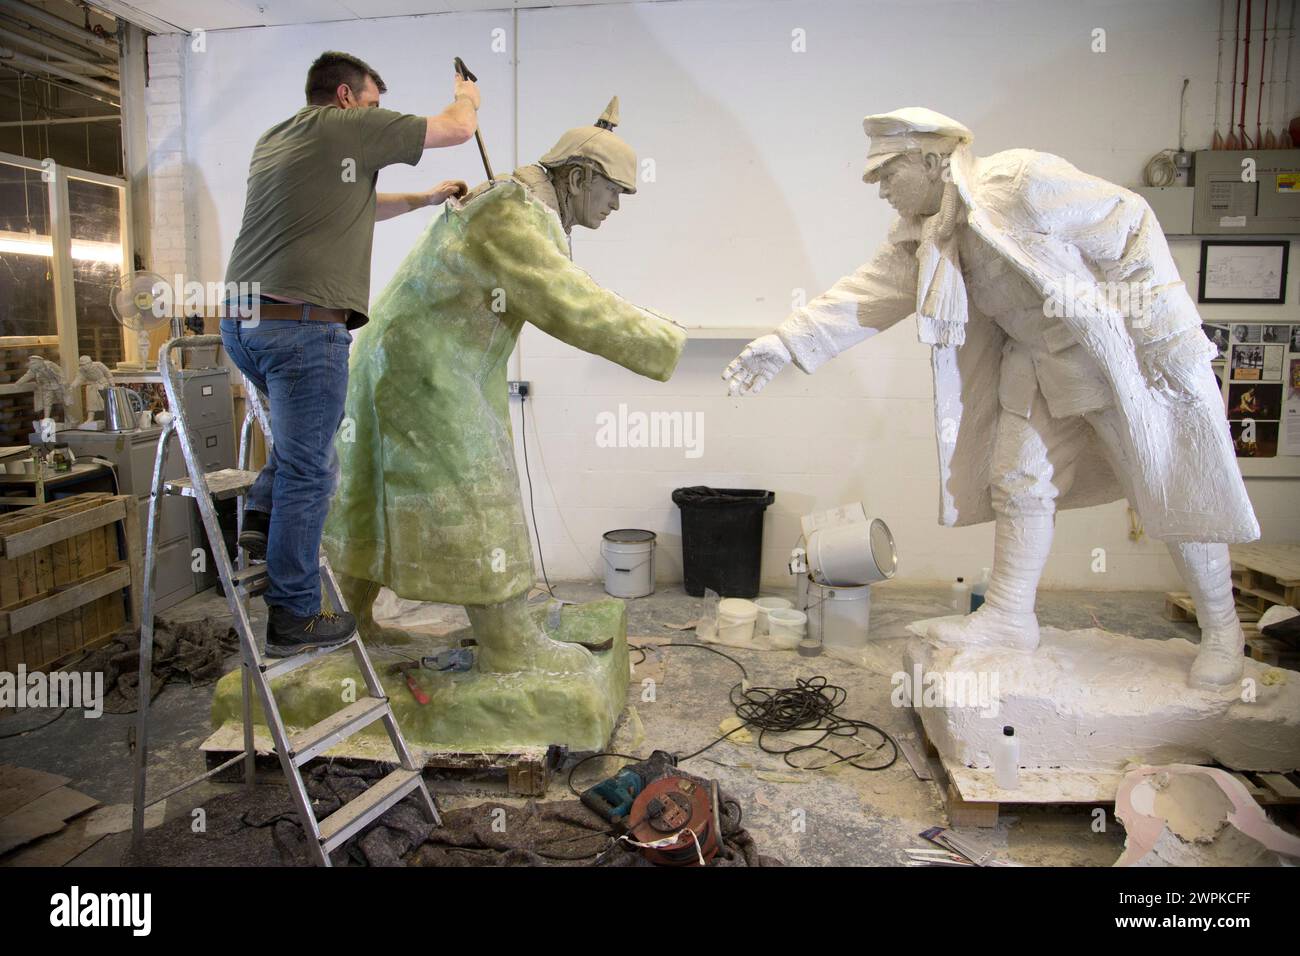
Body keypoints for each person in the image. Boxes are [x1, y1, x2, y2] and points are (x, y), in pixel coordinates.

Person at [723, 107, 1259, 690]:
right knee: (1019, 481)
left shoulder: (1021, 182)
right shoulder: (927, 230)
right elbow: (866, 293)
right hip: (1034, 364)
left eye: (886, 174)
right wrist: (784, 341)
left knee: (1171, 488)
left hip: (1114, 357)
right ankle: (1009, 616)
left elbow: (1130, 220)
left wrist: (1170, 333)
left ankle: (1224, 632)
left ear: (931, 161)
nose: (880, 190)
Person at [323, 97, 686, 673]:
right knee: (480, 499)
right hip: (424, 377)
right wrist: (669, 342)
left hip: (397, 367)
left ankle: (342, 624)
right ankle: (510, 646)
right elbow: (571, 303)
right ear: (582, 176)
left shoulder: (514, 206)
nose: (616, 205)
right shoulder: (513, 213)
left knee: (366, 497)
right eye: (614, 190)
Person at [220, 51, 479, 658]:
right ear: (344, 97)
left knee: (298, 444)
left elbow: (358, 204)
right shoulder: (349, 125)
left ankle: (259, 519)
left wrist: (423, 198)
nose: (377, 115)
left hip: (245, 327)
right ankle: (295, 616)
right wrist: (468, 93)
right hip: (304, 330)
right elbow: (457, 128)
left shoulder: (278, 139)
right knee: (314, 471)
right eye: (372, 103)